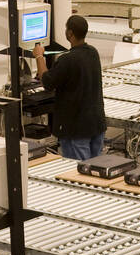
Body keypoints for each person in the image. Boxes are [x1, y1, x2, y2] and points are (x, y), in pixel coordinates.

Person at [34, 15, 106, 161]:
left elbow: (47, 82)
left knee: (78, 171)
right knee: (95, 170)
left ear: (70, 33)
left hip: (76, 129)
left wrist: (39, 56)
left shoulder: (67, 60)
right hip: (95, 123)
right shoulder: (93, 52)